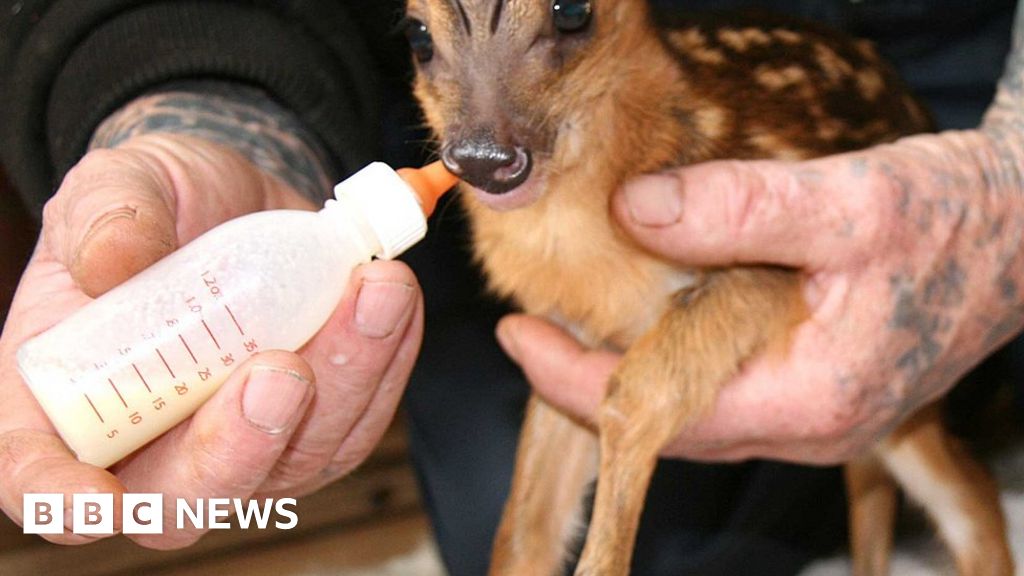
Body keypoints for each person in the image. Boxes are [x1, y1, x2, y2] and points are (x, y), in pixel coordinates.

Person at [0, 1, 1018, 575]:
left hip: (937, 85)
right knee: (515, 528)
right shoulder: (475, 136)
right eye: (426, 45)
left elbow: (733, 298)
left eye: (563, 18)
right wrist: (207, 107)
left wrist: (1008, 181)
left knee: (897, 438)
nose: (476, 132)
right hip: (400, 128)